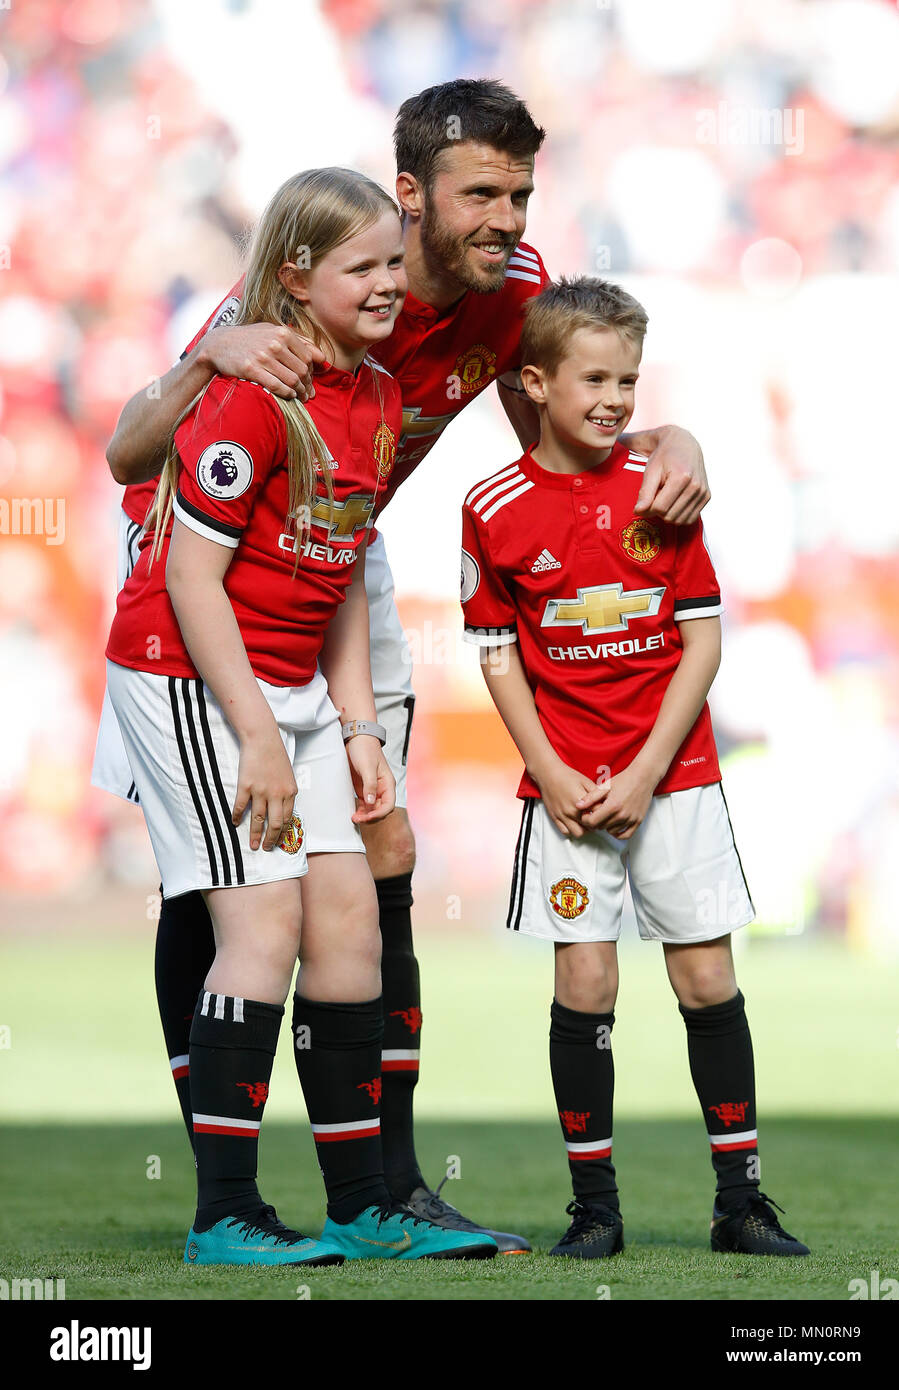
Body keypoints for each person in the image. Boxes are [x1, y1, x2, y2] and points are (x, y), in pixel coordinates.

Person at [96, 79, 710, 1251]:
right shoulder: (283, 313)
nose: (508, 219)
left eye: (522, 192)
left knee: (374, 853)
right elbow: (134, 450)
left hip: (338, 544)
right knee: (224, 883)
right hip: (212, 568)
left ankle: (381, 1184)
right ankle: (223, 1182)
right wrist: (208, 352)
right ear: (412, 194)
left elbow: (571, 429)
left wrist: (666, 440)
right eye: (481, 194)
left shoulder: (497, 305)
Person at [104, 165, 497, 1265]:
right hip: (189, 674)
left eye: (391, 262)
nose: (388, 285)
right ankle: (223, 1214)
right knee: (262, 926)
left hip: (295, 685)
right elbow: (189, 579)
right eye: (362, 266)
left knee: (348, 927)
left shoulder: (372, 396)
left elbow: (334, 575)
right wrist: (265, 737)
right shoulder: (245, 393)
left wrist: (359, 730)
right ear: (294, 274)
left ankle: (363, 1206)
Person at [460, 275, 809, 1259]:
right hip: (566, 796)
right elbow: (496, 653)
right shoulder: (490, 509)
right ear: (534, 381)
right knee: (584, 987)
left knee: (704, 979)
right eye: (594, 378)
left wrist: (649, 768)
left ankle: (739, 1202)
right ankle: (593, 1210)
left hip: (677, 781)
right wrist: (553, 772)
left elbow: (700, 643)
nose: (615, 398)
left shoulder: (663, 489)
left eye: (628, 378)